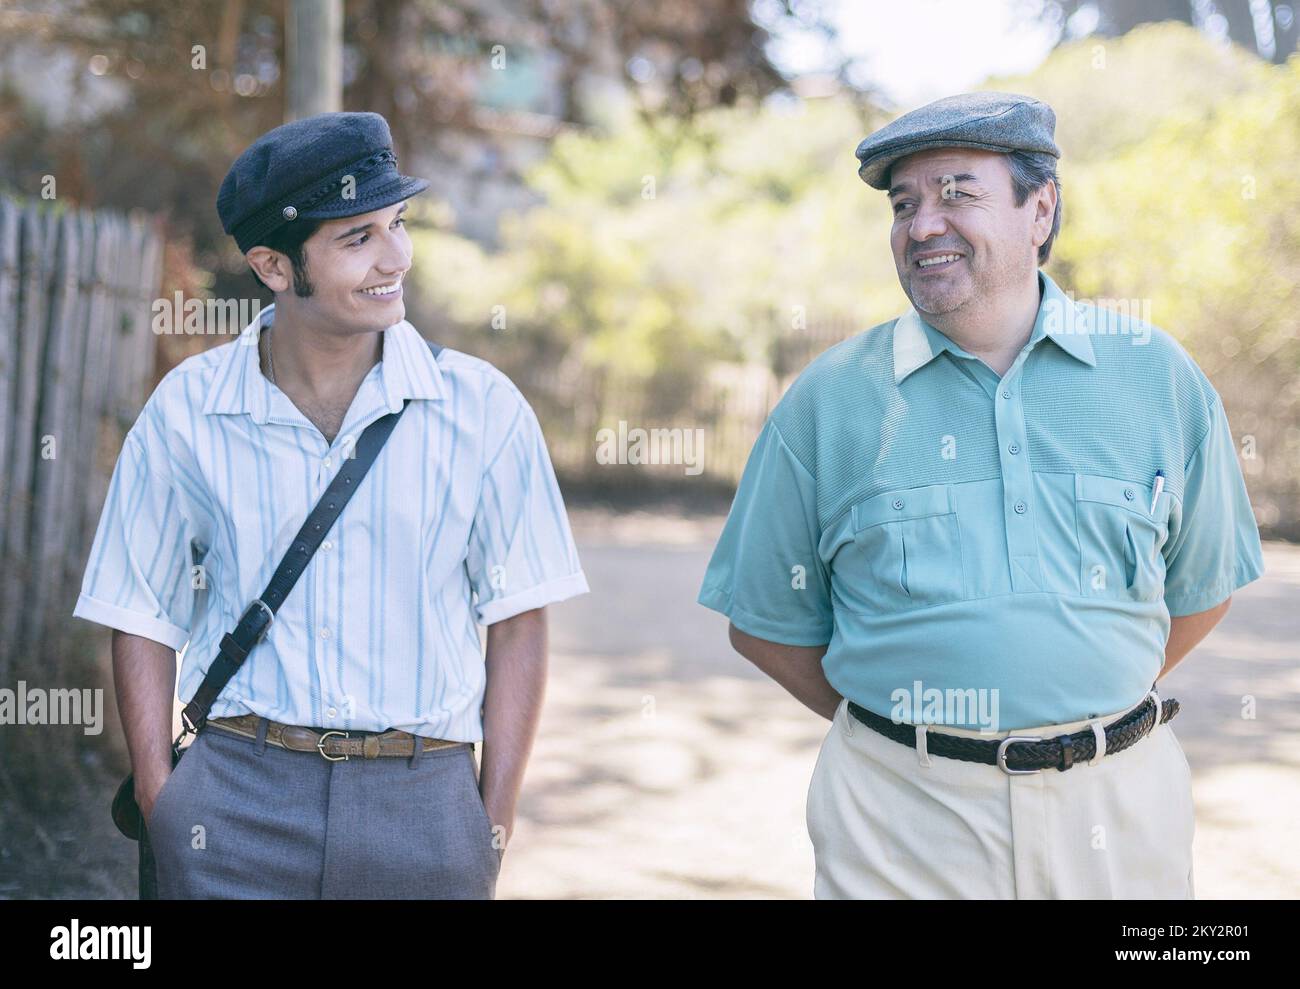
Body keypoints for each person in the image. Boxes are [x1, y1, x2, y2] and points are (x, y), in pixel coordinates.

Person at [697, 91, 1264, 899]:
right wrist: (911, 734)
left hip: (1120, 810)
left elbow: (1204, 591)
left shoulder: (1157, 376)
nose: (922, 223)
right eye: (904, 203)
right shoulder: (827, 402)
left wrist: (1075, 708)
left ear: (1041, 209)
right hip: (900, 821)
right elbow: (765, 625)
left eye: (956, 192)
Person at [74, 111, 589, 899]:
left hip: (424, 806)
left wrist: (489, 821)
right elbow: (140, 610)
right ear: (274, 267)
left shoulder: (485, 410)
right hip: (233, 805)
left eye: (399, 224)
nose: (396, 258)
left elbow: (518, 619)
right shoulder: (187, 410)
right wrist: (161, 796)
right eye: (359, 238)